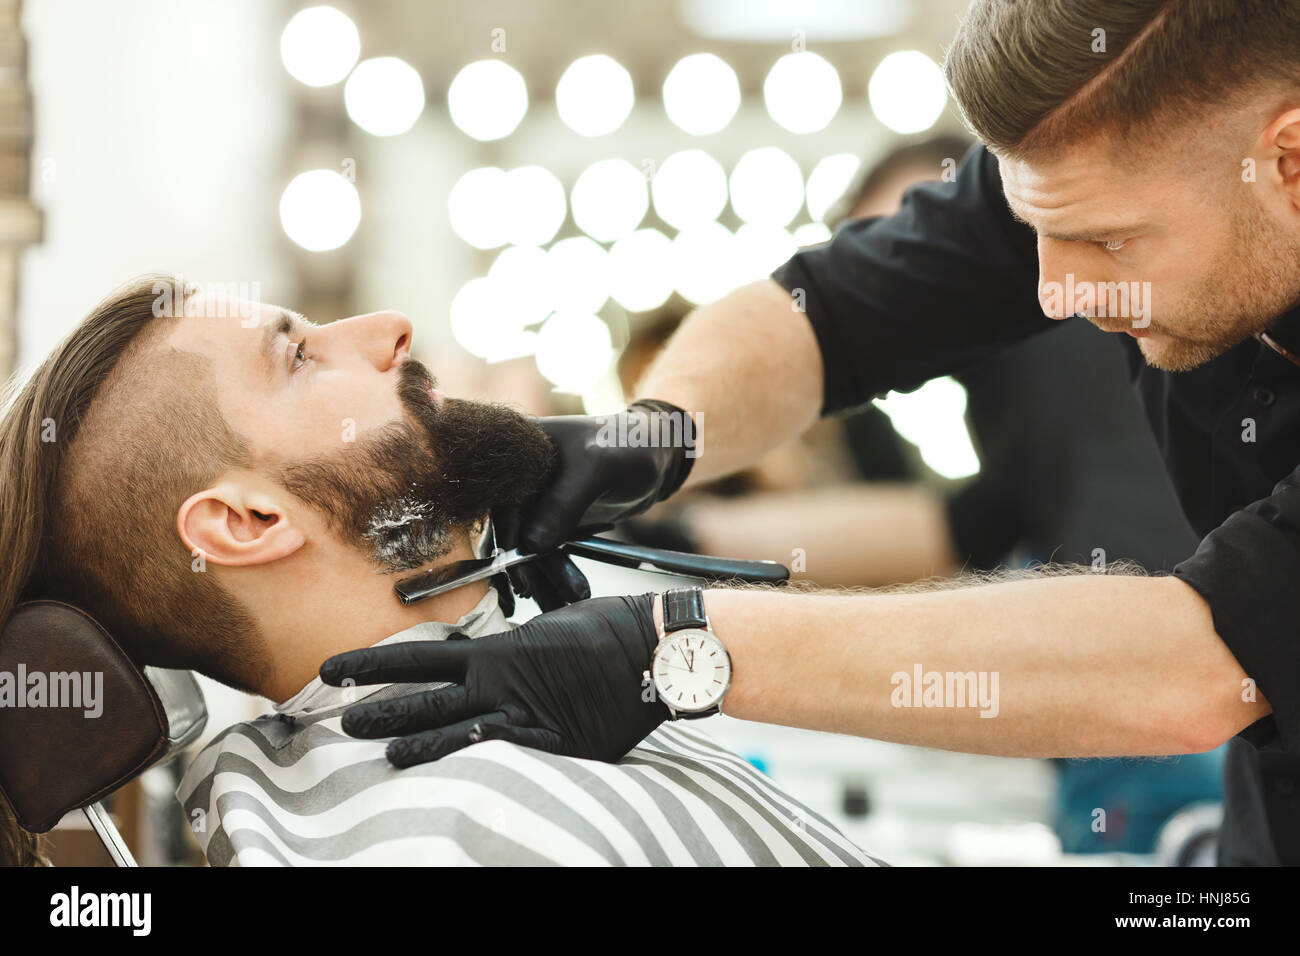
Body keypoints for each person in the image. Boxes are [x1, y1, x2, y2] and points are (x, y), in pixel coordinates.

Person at [325, 0, 1300, 866]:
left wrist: (675, 647)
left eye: (1107, 241)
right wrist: (655, 435)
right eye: (1033, 230)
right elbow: (825, 311)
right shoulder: (1095, 166)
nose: (1053, 293)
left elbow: (1202, 655)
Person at [0, 276, 877, 866]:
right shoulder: (457, 837)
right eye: (299, 356)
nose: (389, 330)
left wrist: (659, 437)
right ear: (248, 522)